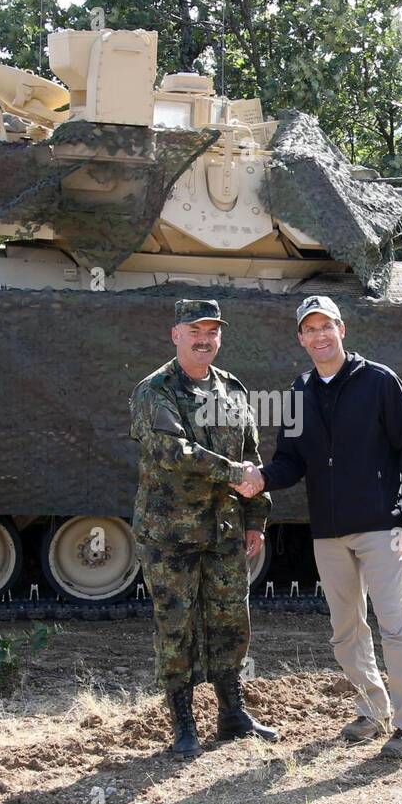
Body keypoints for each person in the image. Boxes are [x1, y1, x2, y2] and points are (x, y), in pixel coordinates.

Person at [235, 294, 402, 759]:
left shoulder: (379, 381)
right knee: (345, 628)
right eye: (310, 328)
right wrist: (262, 477)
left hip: (381, 526)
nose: (320, 335)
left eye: (327, 326)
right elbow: (290, 461)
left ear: (342, 331)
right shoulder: (298, 392)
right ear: (301, 338)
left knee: (394, 625)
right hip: (327, 531)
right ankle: (372, 708)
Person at [129, 298, 279, 759]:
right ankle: (183, 725)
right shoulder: (155, 390)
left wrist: (256, 519)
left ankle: (232, 713)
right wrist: (234, 473)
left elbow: (253, 456)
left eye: (212, 330)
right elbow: (170, 452)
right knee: (177, 628)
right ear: (175, 334)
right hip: (170, 536)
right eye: (194, 329)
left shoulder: (233, 390)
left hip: (225, 533)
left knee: (231, 622)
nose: (204, 338)